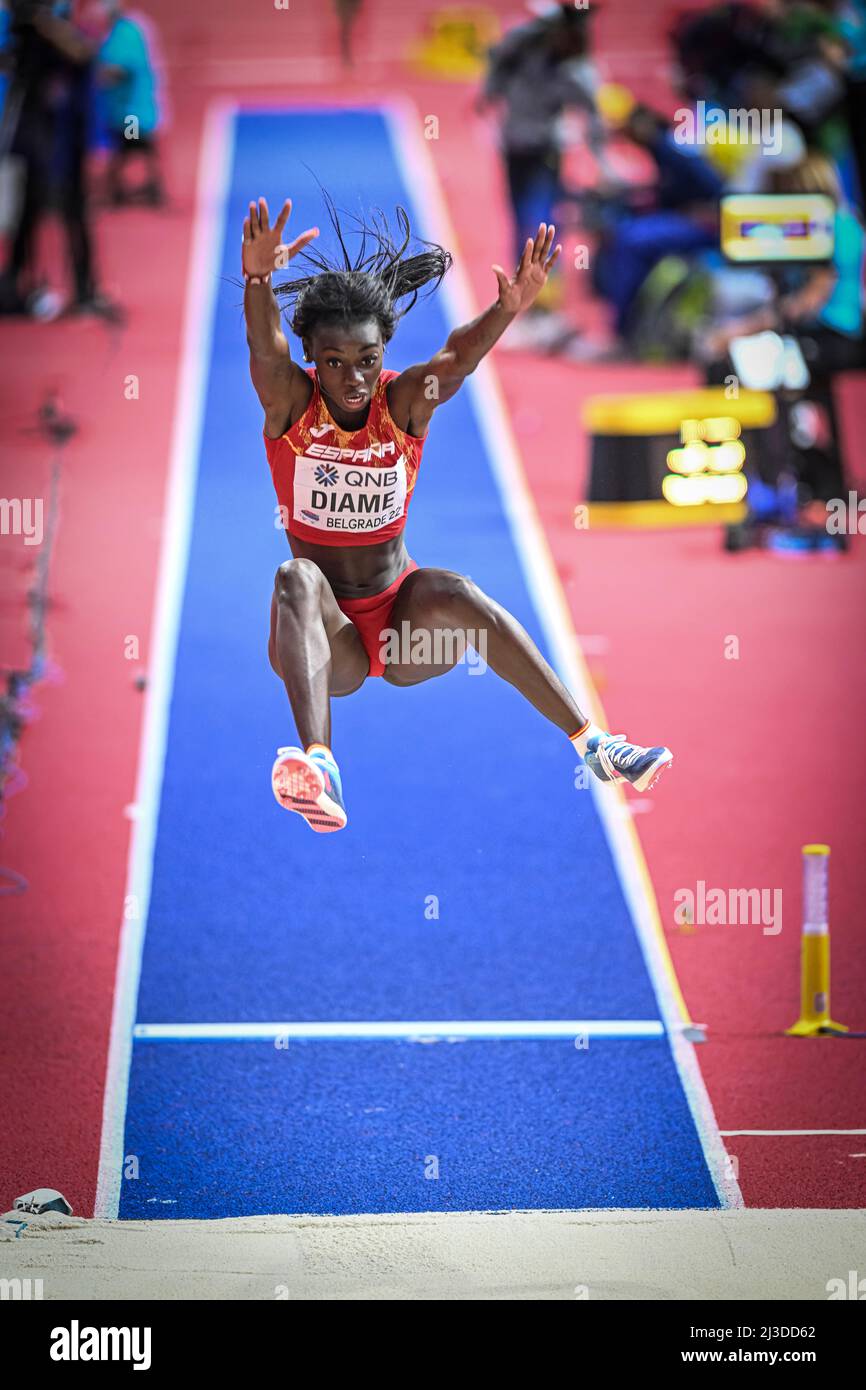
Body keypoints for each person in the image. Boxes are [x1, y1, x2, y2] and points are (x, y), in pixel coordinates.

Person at [242, 192, 672, 831]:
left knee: (458, 590)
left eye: (367, 361)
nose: (355, 379)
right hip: (326, 640)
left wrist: (507, 309)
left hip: (401, 629)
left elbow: (457, 359)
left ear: (382, 353)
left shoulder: (406, 403)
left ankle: (595, 745)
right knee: (295, 577)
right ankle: (321, 764)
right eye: (335, 364)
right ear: (314, 360)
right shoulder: (290, 403)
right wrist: (256, 280)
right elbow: (266, 347)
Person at [97, 0, 164, 207]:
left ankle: (123, 190)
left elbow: (122, 68)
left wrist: (97, 74)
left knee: (131, 146)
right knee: (132, 149)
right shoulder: (121, 31)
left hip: (132, 112)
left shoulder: (125, 32)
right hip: (127, 109)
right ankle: (145, 188)